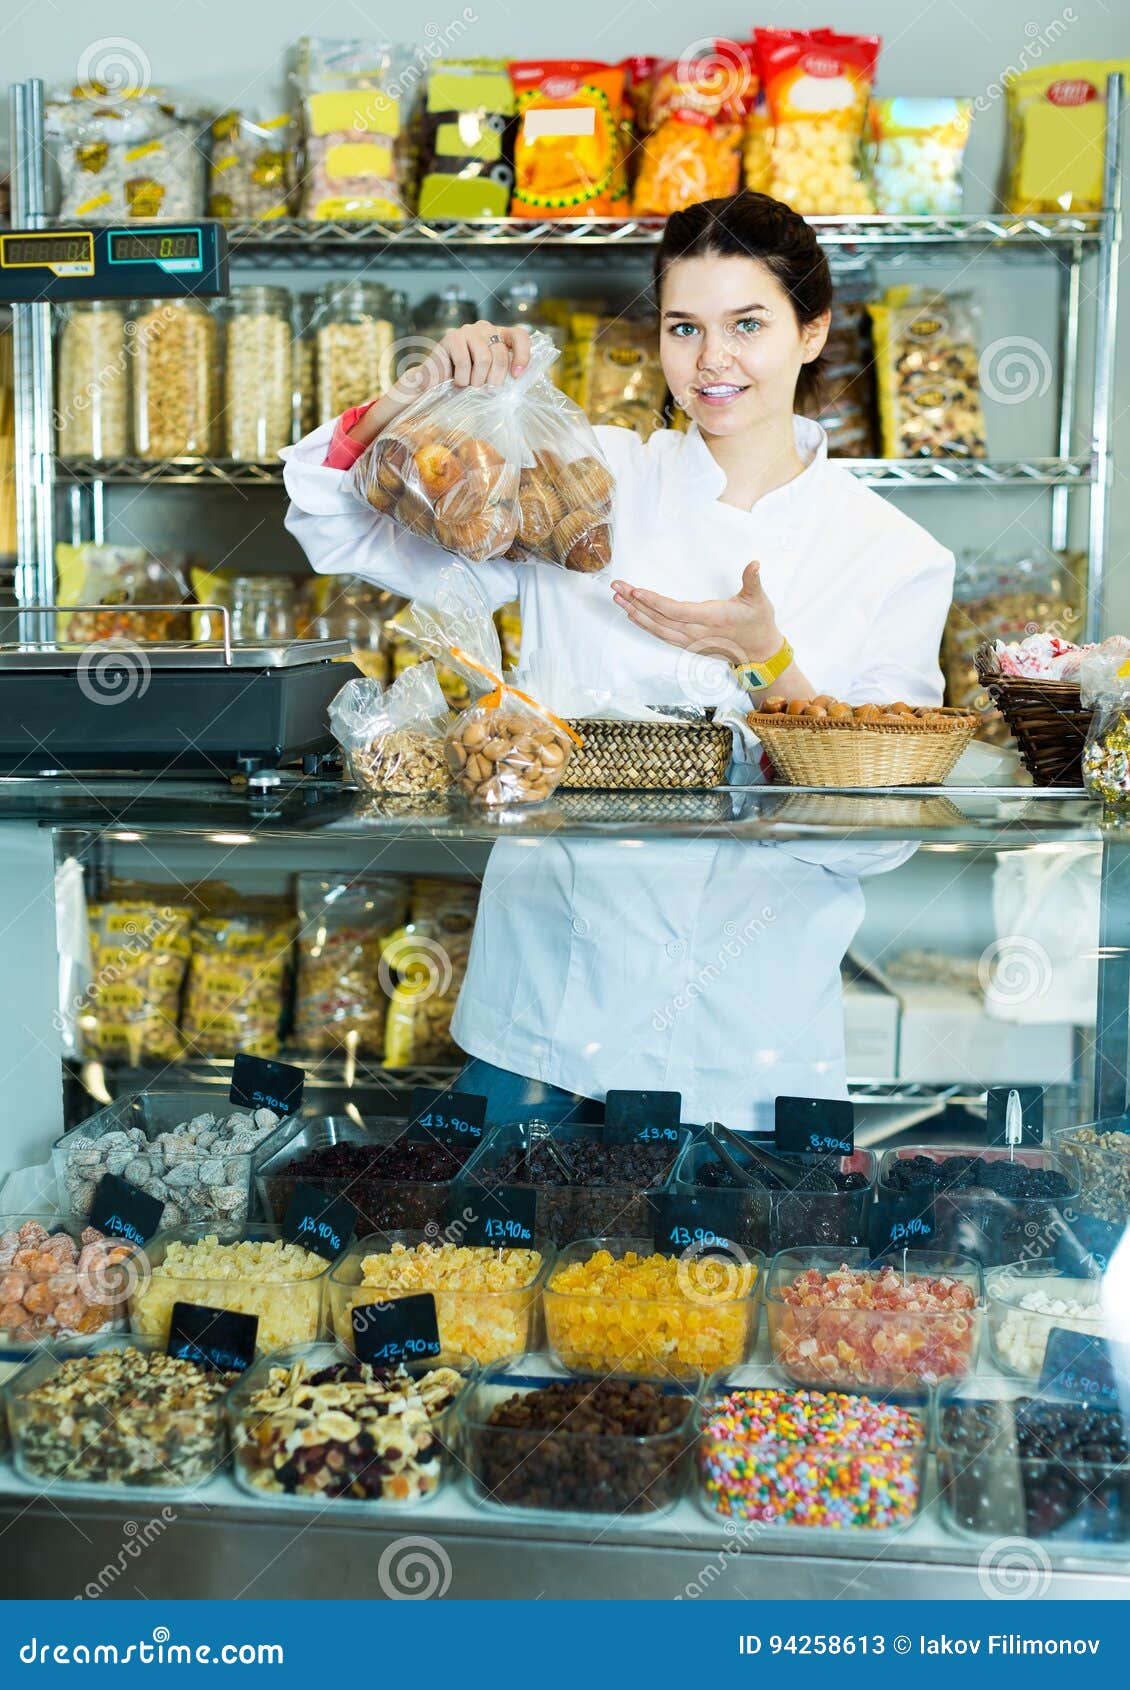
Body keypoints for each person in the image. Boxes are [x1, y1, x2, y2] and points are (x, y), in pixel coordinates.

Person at [282, 190, 955, 1130]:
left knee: (742, 1278)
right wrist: (418, 396)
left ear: (813, 332)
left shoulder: (894, 556)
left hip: (754, 1048)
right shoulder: (587, 479)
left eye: (747, 325)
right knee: (493, 1277)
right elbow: (338, 524)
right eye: (685, 327)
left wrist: (769, 665)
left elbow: (879, 838)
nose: (712, 360)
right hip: (547, 1027)